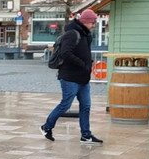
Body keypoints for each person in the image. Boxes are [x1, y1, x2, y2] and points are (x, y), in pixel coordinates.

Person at [41, 8, 103, 144]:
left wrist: (88, 63)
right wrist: (83, 64)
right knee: (65, 105)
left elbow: (83, 52)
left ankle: (86, 135)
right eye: (92, 23)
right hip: (69, 77)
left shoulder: (86, 35)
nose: (93, 26)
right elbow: (66, 54)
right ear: (85, 22)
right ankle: (47, 127)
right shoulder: (72, 34)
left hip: (83, 78)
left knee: (86, 106)